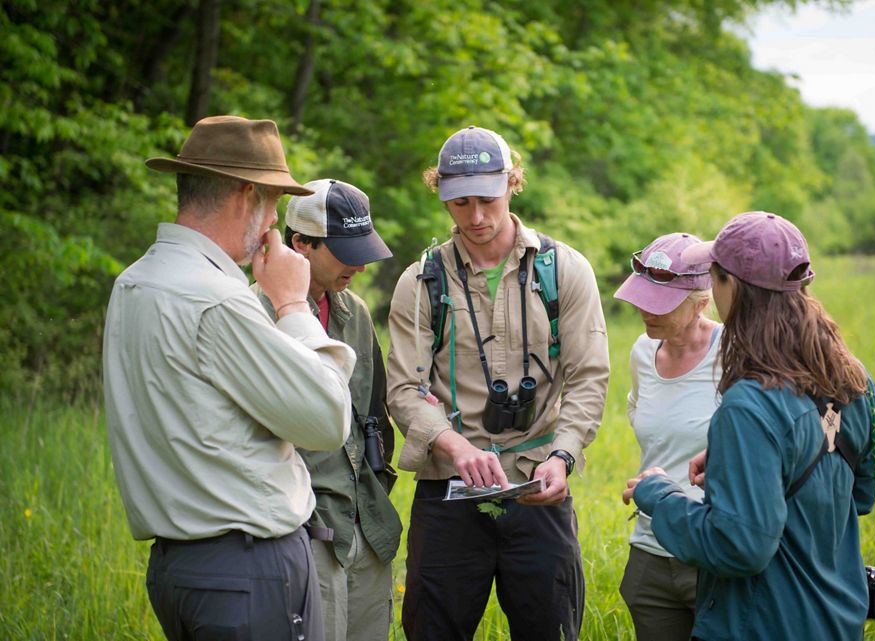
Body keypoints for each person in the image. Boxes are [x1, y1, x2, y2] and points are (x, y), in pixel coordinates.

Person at [103, 115, 356, 641]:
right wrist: (291, 302)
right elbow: (328, 418)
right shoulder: (216, 299)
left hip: (178, 569)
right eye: (272, 204)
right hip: (247, 569)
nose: (272, 224)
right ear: (247, 196)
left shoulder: (135, 283)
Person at [386, 125, 610, 641]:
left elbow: (588, 378)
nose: (476, 217)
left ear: (513, 182)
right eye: (459, 203)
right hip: (448, 491)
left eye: (487, 199)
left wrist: (563, 457)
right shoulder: (421, 281)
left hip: (538, 489)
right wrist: (455, 446)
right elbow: (403, 390)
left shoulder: (565, 270)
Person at [624, 211, 875, 641]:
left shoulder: (748, 404)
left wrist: (658, 494)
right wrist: (742, 468)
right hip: (836, 615)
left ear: (731, 287)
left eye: (715, 275)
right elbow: (860, 494)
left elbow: (740, 546)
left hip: (762, 621)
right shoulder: (854, 379)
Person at [253, 178, 402, 641]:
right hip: (303, 532)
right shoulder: (250, 315)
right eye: (344, 251)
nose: (359, 264)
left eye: (363, 248)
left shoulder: (354, 312)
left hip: (368, 526)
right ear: (300, 243)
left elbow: (375, 408)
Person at [613, 232, 721, 641]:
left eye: (661, 302)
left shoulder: (734, 353)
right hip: (650, 551)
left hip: (710, 551)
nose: (645, 310)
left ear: (702, 303)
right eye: (642, 297)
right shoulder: (643, 350)